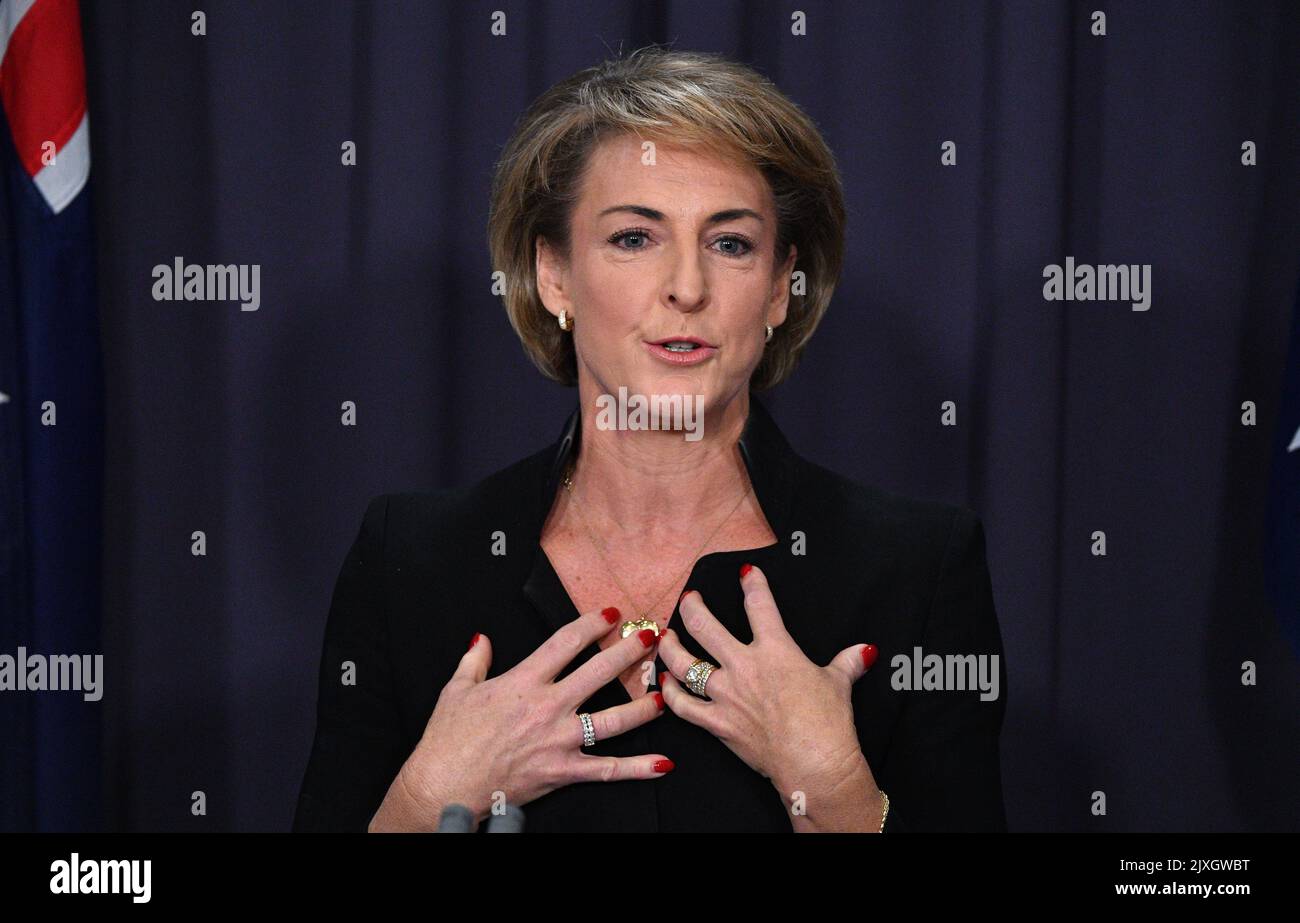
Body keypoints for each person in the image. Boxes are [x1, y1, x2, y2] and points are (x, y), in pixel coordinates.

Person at [292, 46, 1008, 833]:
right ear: (553, 274)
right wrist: (429, 795)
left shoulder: (916, 567)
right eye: (635, 237)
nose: (688, 288)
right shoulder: (413, 558)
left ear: (778, 289)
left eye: (730, 243)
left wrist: (836, 789)